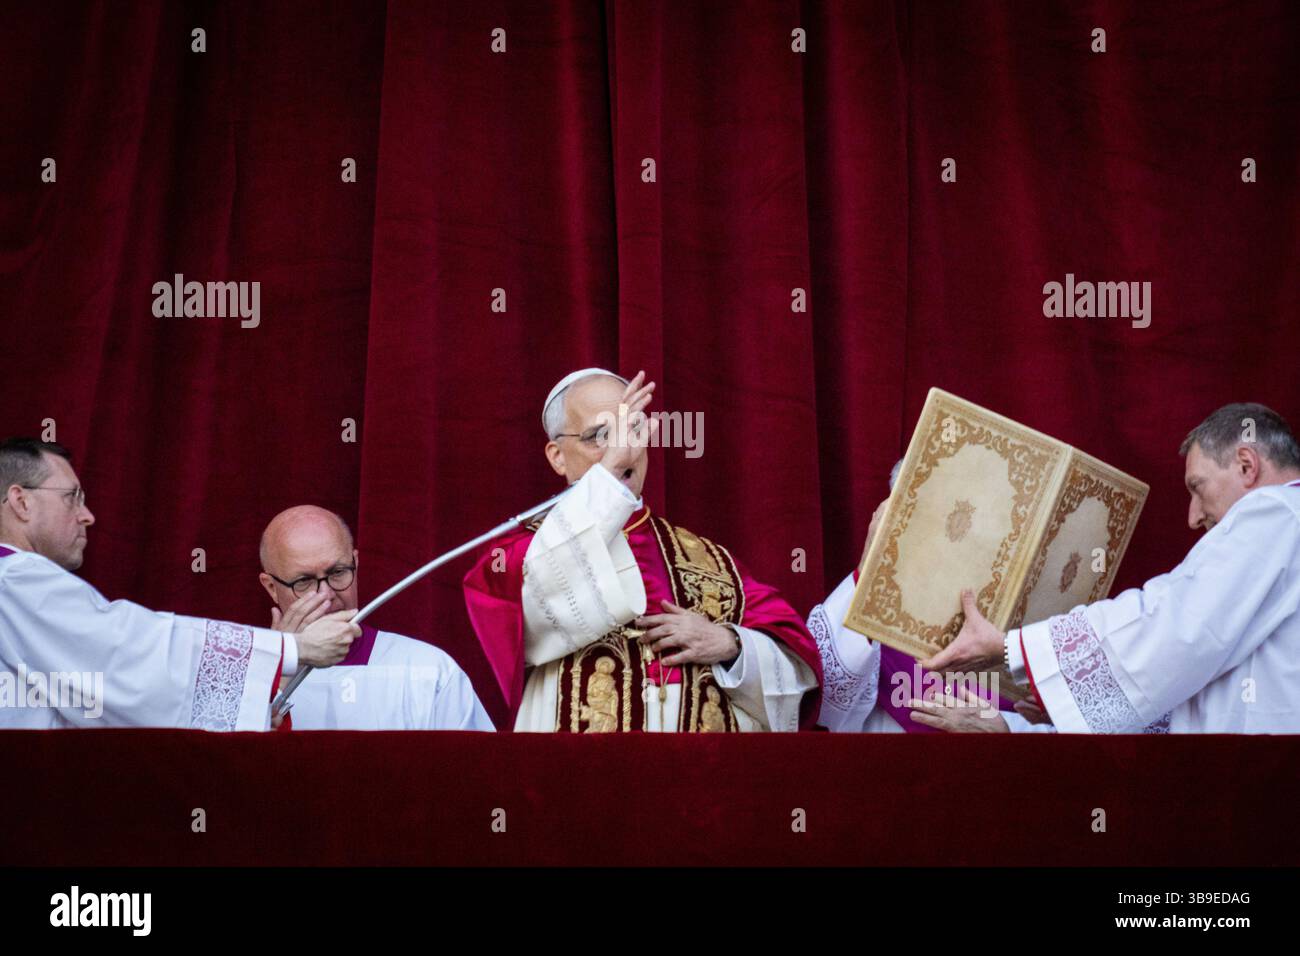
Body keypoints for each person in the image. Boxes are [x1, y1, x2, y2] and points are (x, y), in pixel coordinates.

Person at [463, 369, 822, 732]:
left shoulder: (710, 559)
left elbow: (797, 672)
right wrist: (610, 472)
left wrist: (731, 644)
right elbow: (523, 622)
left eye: (631, 431)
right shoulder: (520, 551)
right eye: (601, 436)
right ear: (557, 457)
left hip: (700, 780)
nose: (626, 450)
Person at [923, 403, 1300, 733]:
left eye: (1197, 487)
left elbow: (1172, 624)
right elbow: (1214, 688)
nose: (1193, 516)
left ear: (1247, 465)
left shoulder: (1277, 513)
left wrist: (1011, 648)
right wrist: (1066, 701)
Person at [0, 438, 357, 730]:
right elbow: (129, 652)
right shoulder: (13, 578)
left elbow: (94, 694)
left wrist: (253, 703)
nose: (87, 515)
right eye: (72, 497)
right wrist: (290, 650)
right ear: (20, 501)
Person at [809, 459, 1054, 733]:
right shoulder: (873, 602)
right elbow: (823, 704)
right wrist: (868, 571)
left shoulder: (1035, 619)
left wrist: (1006, 729)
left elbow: (1080, 726)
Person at [258, 505, 493, 730]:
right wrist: (276, 675)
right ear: (271, 588)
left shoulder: (430, 671)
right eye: (304, 582)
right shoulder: (244, 682)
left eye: (338, 572)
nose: (326, 595)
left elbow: (476, 767)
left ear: (356, 564)